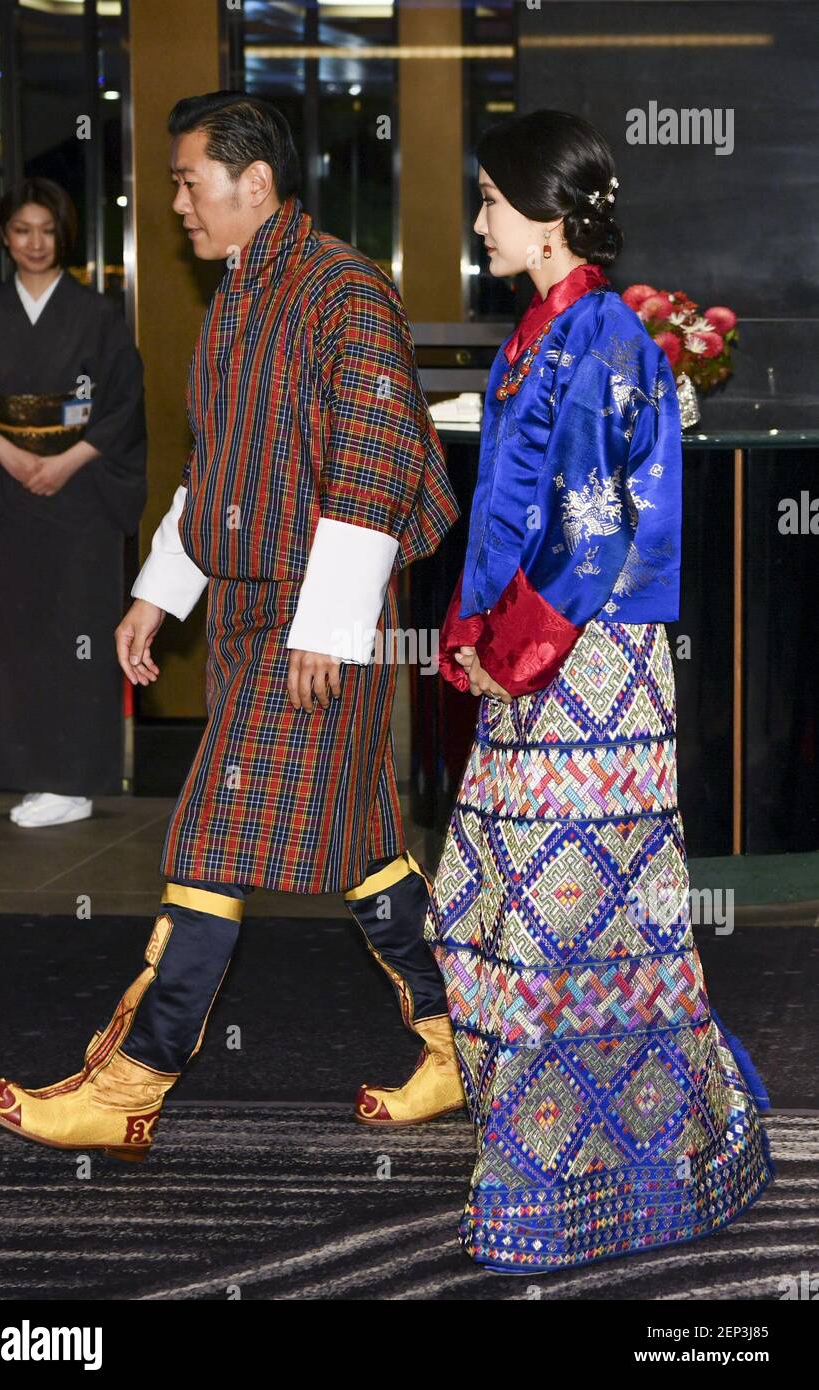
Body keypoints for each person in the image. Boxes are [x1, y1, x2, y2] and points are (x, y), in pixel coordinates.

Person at [0, 93, 464, 1160]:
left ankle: (133, 1081)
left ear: (254, 183)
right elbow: (220, 476)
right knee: (366, 851)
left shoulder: (343, 289)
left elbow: (379, 461)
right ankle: (462, 1040)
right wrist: (160, 589)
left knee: (208, 837)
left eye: (186, 181)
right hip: (256, 612)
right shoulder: (244, 294)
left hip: (312, 625)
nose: (174, 203)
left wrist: (327, 628)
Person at [425, 109, 775, 1272]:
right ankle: (604, 1150)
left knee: (558, 925)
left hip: (593, 671)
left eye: (488, 200)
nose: (478, 220)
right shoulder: (533, 335)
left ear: (549, 215)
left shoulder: (609, 341)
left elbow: (592, 533)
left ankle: (568, 1180)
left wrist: (508, 650)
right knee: (481, 902)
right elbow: (504, 516)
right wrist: (470, 635)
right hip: (534, 660)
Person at [0, 178, 146, 825]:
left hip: (82, 491)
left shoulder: (97, 314)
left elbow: (123, 403)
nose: (35, 243)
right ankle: (32, 771)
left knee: (80, 630)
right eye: (21, 230)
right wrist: (10, 455)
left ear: (63, 234)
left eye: (46, 230)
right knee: (20, 631)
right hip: (13, 490)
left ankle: (75, 779)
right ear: (5, 236)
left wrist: (66, 459)